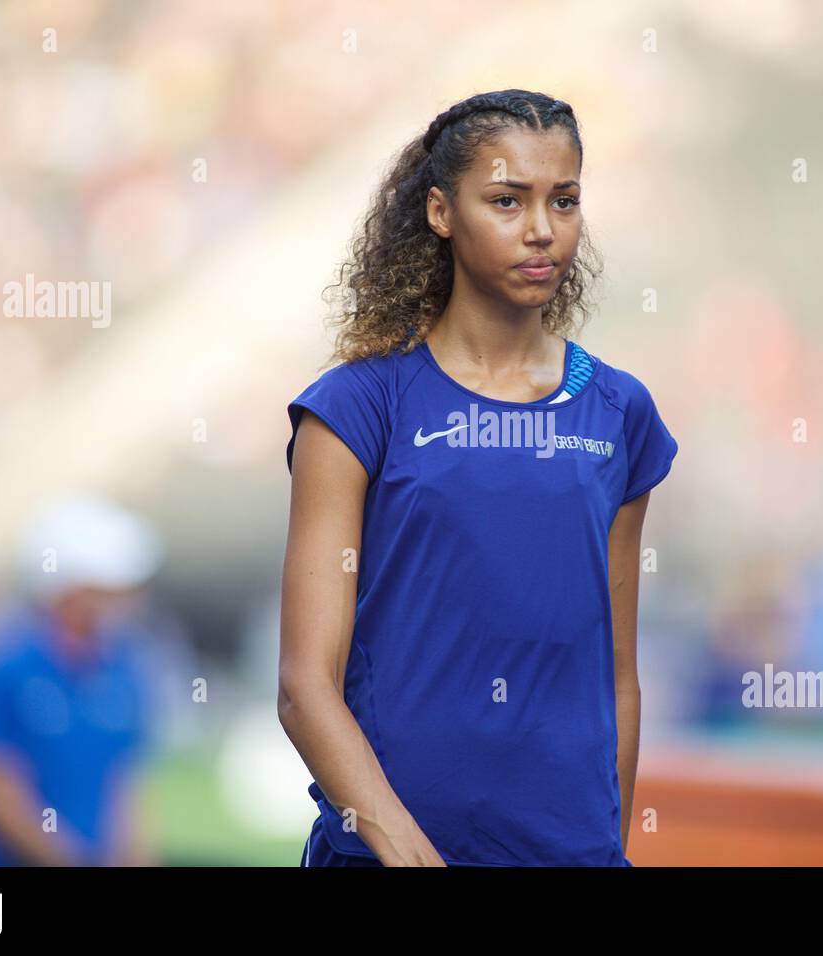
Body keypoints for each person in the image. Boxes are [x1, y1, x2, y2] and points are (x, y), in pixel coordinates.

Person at [279, 90, 678, 867]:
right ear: (440, 211)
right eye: (506, 200)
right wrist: (400, 848)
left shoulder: (620, 413)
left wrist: (606, 848)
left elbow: (618, 680)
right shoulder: (358, 407)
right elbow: (304, 685)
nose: (541, 229)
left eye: (564, 201)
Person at [0, 494, 161, 866]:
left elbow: (128, 789)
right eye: (106, 590)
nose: (122, 601)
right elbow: (0, 794)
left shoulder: (125, 671)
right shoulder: (9, 668)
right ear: (72, 591)